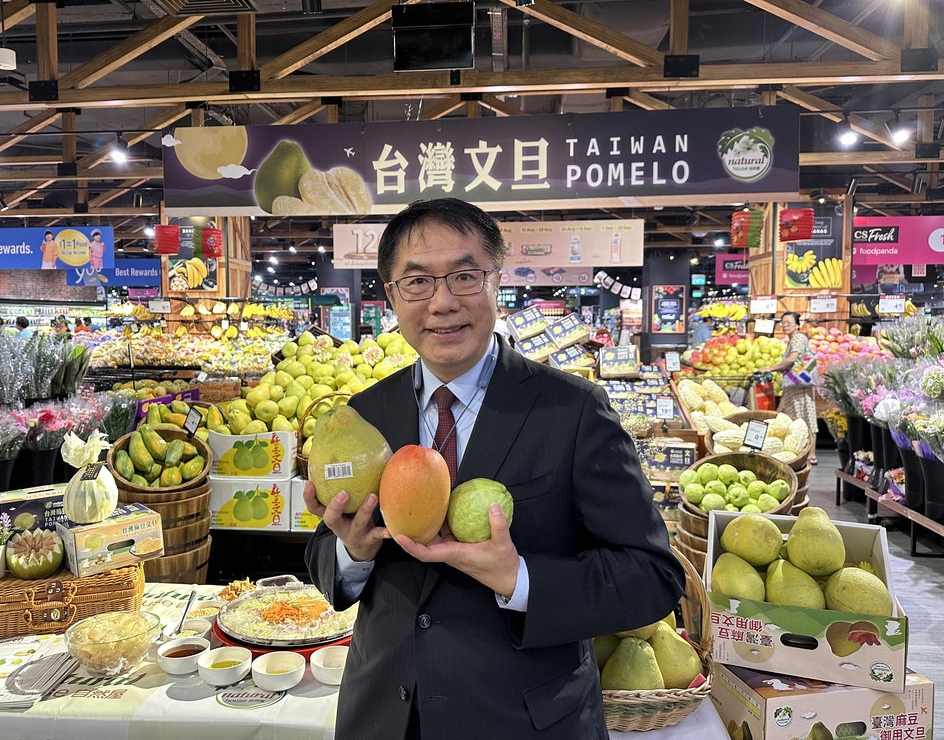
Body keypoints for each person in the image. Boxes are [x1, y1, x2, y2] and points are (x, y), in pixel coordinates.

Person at [303, 198, 684, 740]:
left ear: (496, 283)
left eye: (464, 276)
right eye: (416, 282)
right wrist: (351, 553)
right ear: (391, 295)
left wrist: (520, 579)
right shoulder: (364, 416)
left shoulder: (573, 411)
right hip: (384, 716)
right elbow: (324, 552)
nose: (442, 303)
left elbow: (652, 577)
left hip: (523, 721)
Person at [769, 311, 818, 465]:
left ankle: (811, 454)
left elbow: (792, 358)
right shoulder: (792, 340)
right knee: (790, 417)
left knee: (805, 418)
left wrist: (770, 368)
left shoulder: (798, 338)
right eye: (783, 322)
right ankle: (799, 452)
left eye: (788, 322)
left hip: (800, 387)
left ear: (797, 324)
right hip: (794, 386)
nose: (785, 325)